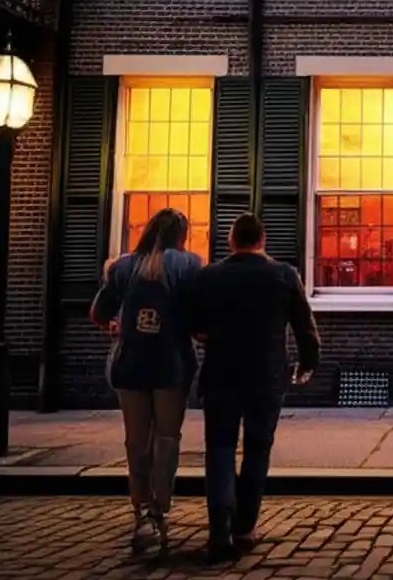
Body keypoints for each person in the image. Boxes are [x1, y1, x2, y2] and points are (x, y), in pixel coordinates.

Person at [189, 212, 320, 563]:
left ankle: (219, 531)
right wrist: (308, 362)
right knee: (257, 450)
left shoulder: (209, 277)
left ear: (232, 240)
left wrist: (208, 333)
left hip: (221, 374)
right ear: (262, 240)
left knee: (219, 450)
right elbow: (304, 324)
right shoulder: (283, 275)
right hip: (266, 376)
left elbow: (195, 324)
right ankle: (244, 528)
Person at [90, 208, 202, 555]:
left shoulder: (123, 266)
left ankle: (140, 511)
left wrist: (116, 325)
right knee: (167, 439)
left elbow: (99, 312)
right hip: (172, 363)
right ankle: (160, 509)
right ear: (181, 235)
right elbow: (198, 315)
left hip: (132, 362)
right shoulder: (188, 265)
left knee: (136, 442)